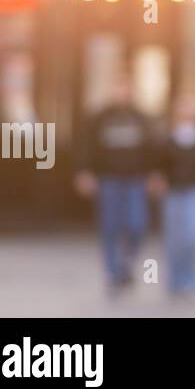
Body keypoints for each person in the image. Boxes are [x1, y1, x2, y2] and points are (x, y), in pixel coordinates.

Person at [74, 74, 162, 298]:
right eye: (119, 88)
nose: (122, 93)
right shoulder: (100, 118)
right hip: (109, 180)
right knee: (110, 228)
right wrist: (85, 172)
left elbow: (153, 149)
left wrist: (154, 174)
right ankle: (113, 275)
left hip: (135, 180)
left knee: (136, 225)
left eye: (126, 88)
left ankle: (126, 265)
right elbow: (86, 147)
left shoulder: (142, 118)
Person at [158, 94, 195, 298]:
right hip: (173, 193)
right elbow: (160, 165)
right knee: (174, 239)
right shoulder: (168, 139)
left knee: (193, 237)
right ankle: (175, 280)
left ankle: (191, 279)